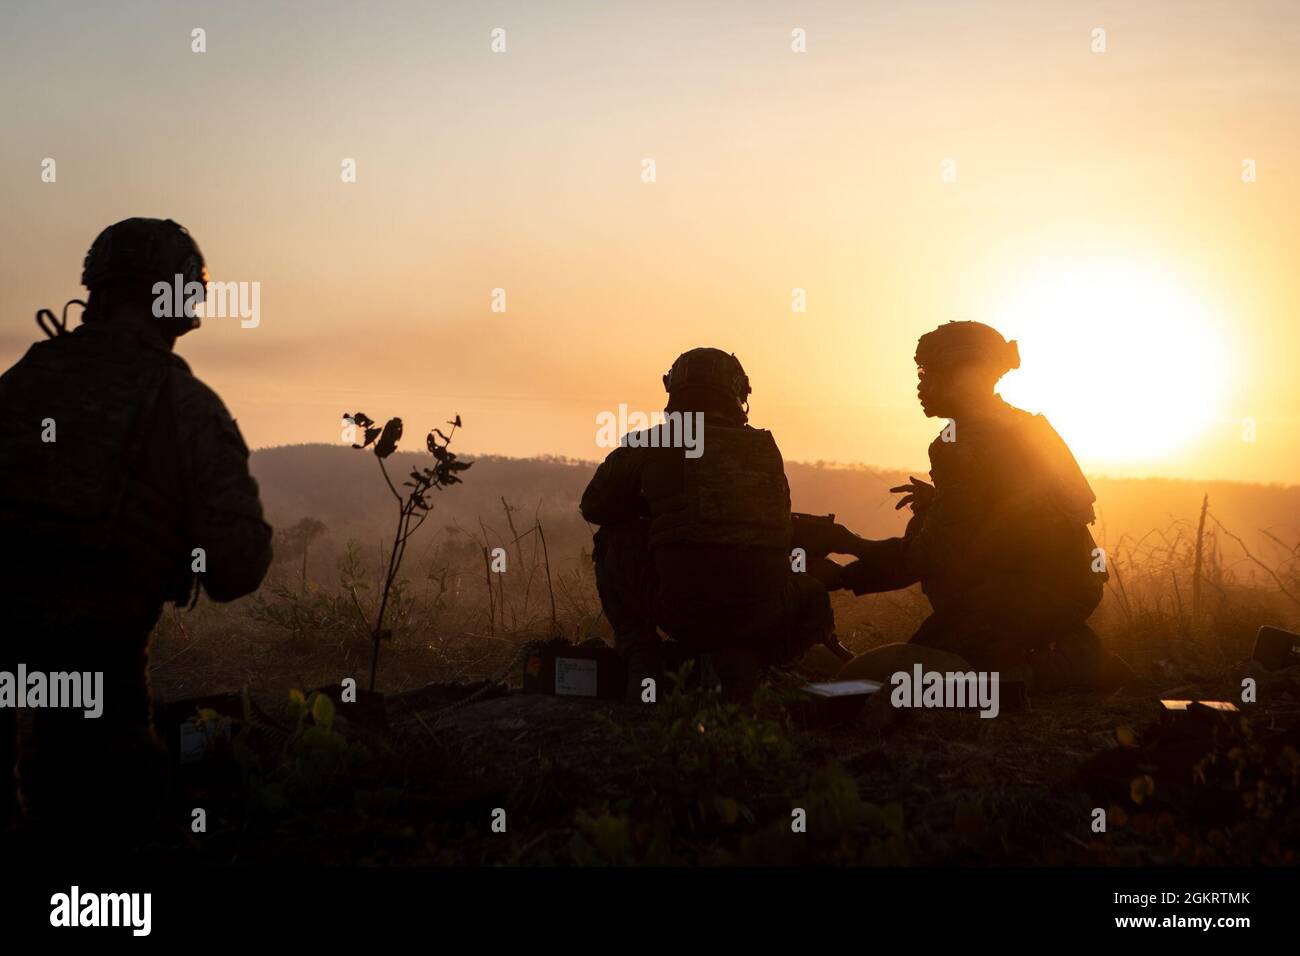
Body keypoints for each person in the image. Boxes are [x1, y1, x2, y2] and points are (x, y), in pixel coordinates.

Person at [0, 218, 273, 848]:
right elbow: (237, 566)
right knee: (109, 823)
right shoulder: (185, 404)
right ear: (179, 303)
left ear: (96, 290)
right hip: (96, 669)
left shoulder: (20, 381)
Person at [824, 321, 1130, 689]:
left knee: (917, 677)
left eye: (930, 372)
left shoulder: (960, 445)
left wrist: (845, 565)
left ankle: (1054, 667)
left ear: (965, 377)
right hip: (1074, 587)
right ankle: (1056, 646)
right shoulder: (1026, 426)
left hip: (1030, 590)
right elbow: (1027, 509)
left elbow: (931, 555)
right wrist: (938, 503)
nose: (921, 384)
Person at [580, 348, 834, 700]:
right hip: (762, 613)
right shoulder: (765, 449)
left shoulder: (653, 442)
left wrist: (649, 507)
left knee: (614, 539)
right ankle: (770, 670)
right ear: (737, 393)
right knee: (812, 593)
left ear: (675, 390)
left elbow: (595, 506)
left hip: (683, 612)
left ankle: (641, 659)